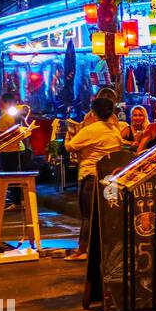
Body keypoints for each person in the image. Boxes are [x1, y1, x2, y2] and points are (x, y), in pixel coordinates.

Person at [64, 97, 126, 263]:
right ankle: (107, 248)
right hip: (110, 178)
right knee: (108, 214)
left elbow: (70, 147)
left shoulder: (90, 130)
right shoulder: (114, 130)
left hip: (90, 175)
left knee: (88, 215)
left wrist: (69, 134)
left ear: (93, 112)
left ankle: (82, 250)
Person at [0, 91, 27, 173]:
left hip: (8, 151)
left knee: (9, 174)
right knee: (17, 174)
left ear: (7, 102)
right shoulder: (17, 115)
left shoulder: (4, 118)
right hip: (20, 149)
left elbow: (0, 136)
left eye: (0, 101)